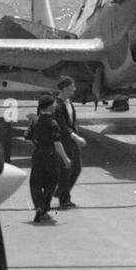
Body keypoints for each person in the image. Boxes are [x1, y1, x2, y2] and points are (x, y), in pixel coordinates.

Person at [23, 95, 70, 224]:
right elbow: (57, 143)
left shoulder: (35, 121)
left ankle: (38, 206)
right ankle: (43, 209)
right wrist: (65, 159)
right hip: (51, 156)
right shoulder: (53, 123)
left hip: (38, 155)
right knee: (51, 183)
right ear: (49, 107)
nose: (55, 106)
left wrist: (38, 144)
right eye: (54, 104)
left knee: (36, 183)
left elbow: (27, 137)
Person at [53, 77, 87, 210]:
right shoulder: (57, 105)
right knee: (66, 170)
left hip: (71, 140)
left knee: (77, 168)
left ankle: (61, 191)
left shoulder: (68, 102)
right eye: (72, 87)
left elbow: (71, 122)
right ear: (65, 88)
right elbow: (62, 125)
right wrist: (76, 137)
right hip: (64, 140)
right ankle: (64, 200)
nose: (74, 89)